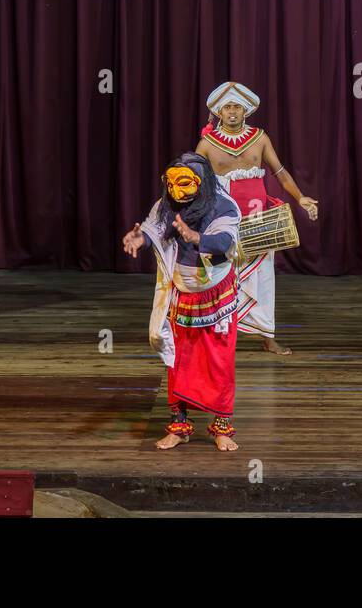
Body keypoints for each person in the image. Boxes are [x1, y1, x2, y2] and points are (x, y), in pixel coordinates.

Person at [122, 152, 243, 452]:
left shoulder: (222, 204)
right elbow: (152, 228)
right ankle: (180, 425)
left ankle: (222, 426)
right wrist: (140, 239)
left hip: (215, 294)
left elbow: (226, 241)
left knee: (219, 362)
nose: (179, 191)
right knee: (178, 360)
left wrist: (197, 237)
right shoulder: (166, 205)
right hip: (181, 292)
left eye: (186, 184)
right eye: (173, 184)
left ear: (201, 184)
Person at [196, 81, 318, 356]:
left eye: (237, 107)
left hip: (257, 217)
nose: (232, 112)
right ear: (219, 111)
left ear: (246, 111)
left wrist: (301, 198)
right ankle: (218, 333)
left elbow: (281, 172)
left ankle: (266, 335)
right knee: (219, 275)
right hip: (221, 219)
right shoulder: (206, 144)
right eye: (227, 106)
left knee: (262, 277)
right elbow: (193, 181)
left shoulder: (260, 138)